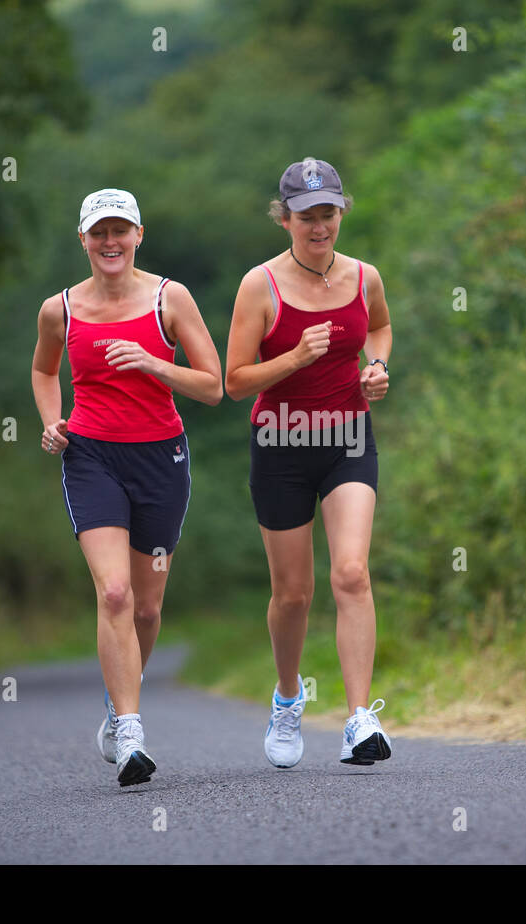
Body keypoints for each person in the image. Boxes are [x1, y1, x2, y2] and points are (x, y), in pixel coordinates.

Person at [31, 188, 222, 786]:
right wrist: (50, 421)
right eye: (99, 232)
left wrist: (152, 362)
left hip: (161, 458)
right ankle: (131, 729)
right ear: (83, 240)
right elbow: (43, 369)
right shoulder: (58, 309)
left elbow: (214, 385)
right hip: (91, 458)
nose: (110, 242)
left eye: (121, 230)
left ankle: (118, 702)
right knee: (112, 593)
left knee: (145, 605)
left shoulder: (171, 299)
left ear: (140, 234)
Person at [224, 158, 394, 768]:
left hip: (348, 438)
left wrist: (376, 368)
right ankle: (289, 697)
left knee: (351, 574)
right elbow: (236, 381)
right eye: (306, 217)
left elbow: (379, 328)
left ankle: (357, 719)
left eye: (329, 214)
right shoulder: (259, 286)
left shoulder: (364, 276)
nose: (319, 227)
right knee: (293, 595)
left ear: (341, 212)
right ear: (285, 218)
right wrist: (295, 357)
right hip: (280, 446)